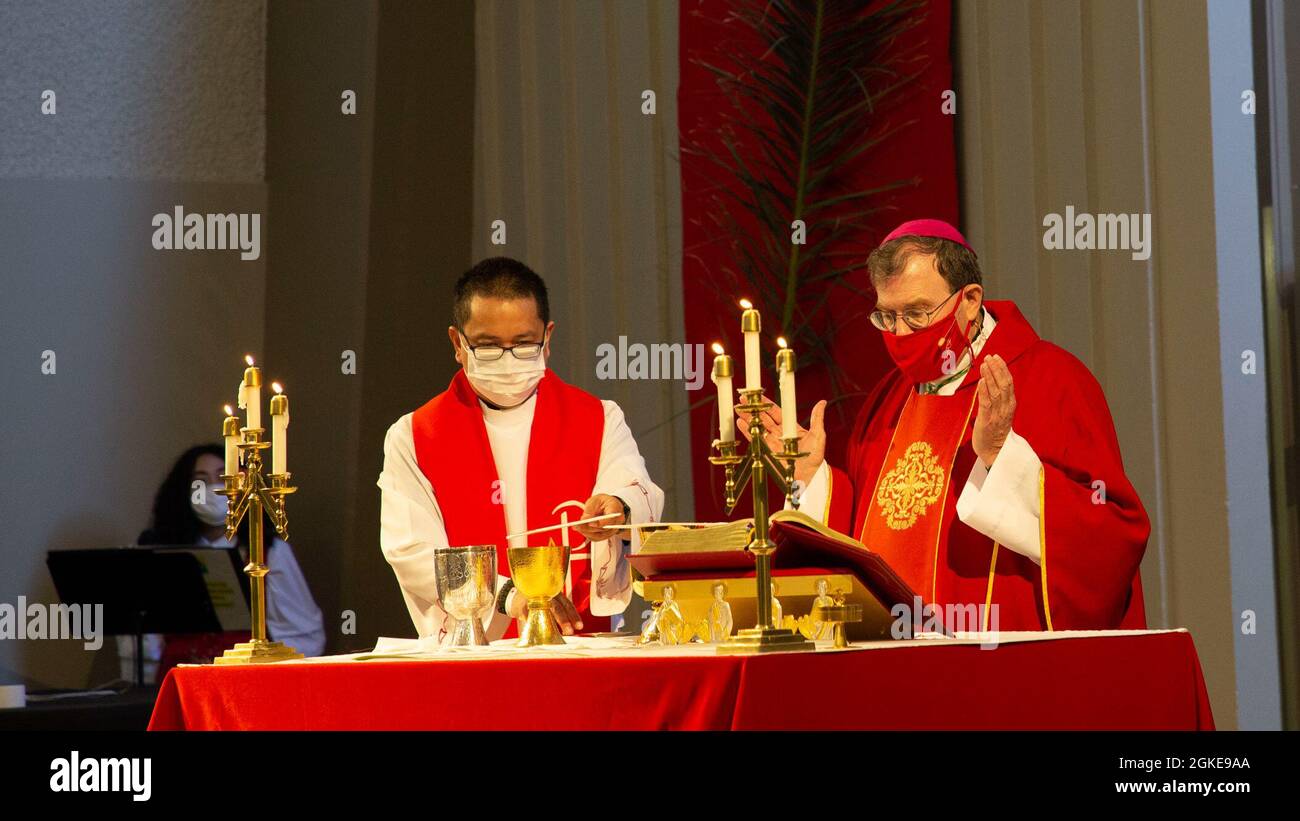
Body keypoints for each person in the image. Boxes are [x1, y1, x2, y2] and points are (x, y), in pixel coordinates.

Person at [744, 219, 1148, 631]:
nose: (900, 333)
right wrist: (811, 478)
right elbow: (861, 540)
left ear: (970, 300)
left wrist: (999, 456)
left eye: (917, 313)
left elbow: (1112, 538)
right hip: (892, 663)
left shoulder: (1052, 380)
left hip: (997, 663)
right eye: (887, 316)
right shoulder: (887, 401)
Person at [378, 257, 665, 643]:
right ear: (457, 344)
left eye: (524, 344)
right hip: (472, 654)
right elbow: (411, 550)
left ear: (548, 338)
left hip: (577, 649)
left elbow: (634, 486)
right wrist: (509, 596)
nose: (509, 359)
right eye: (488, 346)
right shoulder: (414, 435)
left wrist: (617, 506)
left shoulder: (597, 418)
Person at [132, 444, 326, 674]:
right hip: (177, 679)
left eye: (223, 477)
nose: (213, 488)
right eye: (201, 480)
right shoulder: (163, 552)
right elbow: (148, 640)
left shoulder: (268, 552)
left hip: (242, 679)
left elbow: (303, 632)